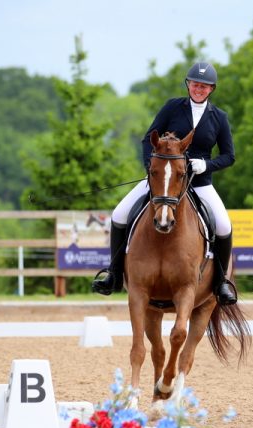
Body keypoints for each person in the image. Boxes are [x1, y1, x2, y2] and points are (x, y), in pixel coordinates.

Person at [92, 61, 238, 305]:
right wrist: (153, 170)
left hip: (199, 183)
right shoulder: (172, 107)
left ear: (211, 89)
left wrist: (206, 165)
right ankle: (114, 275)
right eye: (195, 84)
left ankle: (221, 282)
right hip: (164, 183)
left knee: (223, 225)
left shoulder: (218, 117)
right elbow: (148, 140)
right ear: (188, 85)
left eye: (204, 86)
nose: (198, 89)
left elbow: (229, 155)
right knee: (119, 214)